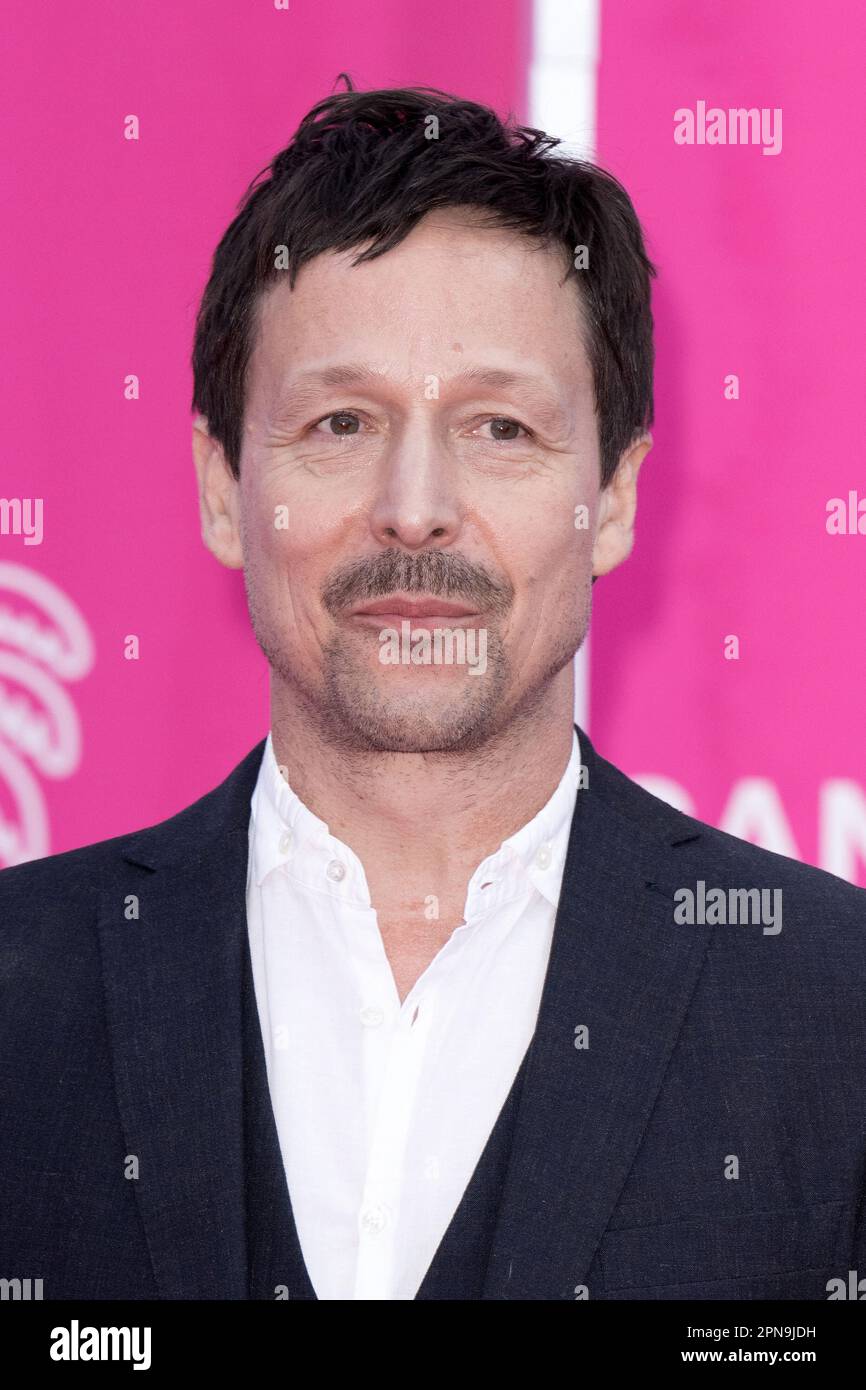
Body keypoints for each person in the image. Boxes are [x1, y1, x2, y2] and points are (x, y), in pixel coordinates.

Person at [2, 77, 865, 1302]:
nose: (415, 506)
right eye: (342, 423)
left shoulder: (835, 1012)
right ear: (218, 486)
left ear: (611, 497)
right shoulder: (20, 989)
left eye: (499, 429)